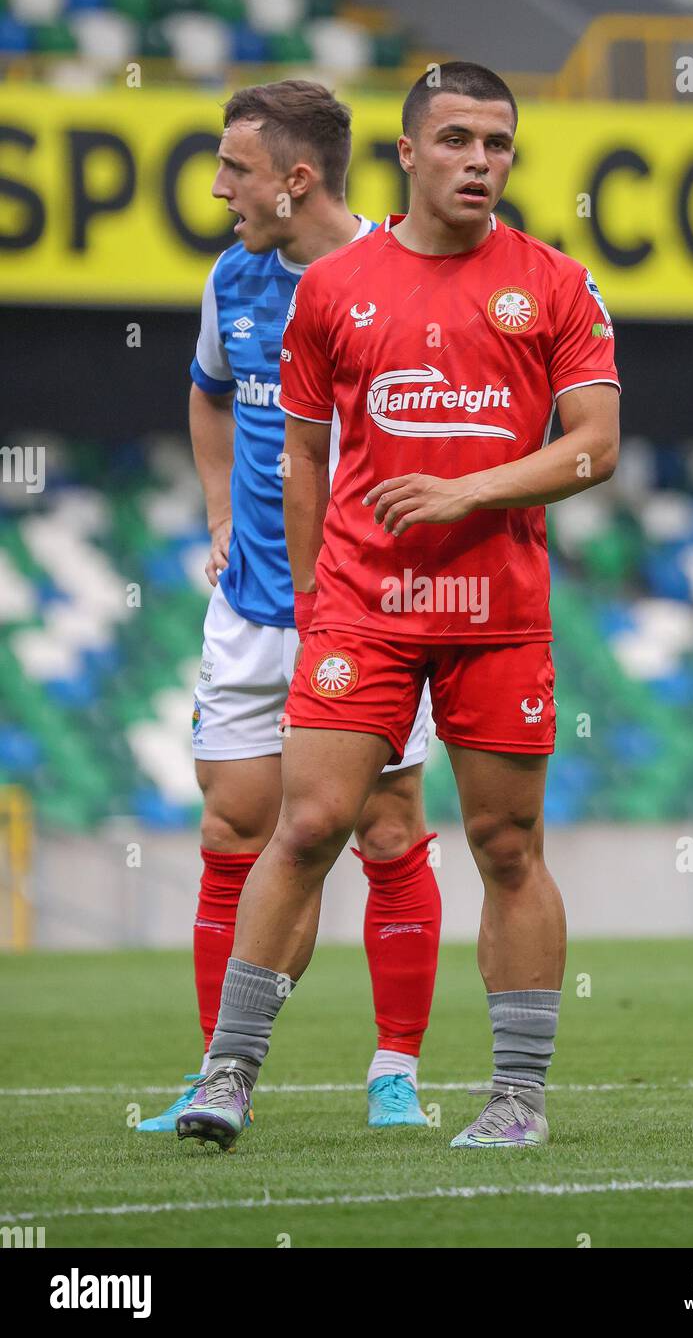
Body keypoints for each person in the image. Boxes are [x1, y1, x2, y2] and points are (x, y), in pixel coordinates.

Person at [178, 61, 620, 1152]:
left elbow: (594, 448)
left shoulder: (556, 284)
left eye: (499, 144)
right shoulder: (329, 290)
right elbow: (303, 452)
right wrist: (322, 587)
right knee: (308, 824)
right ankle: (227, 1075)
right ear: (407, 153)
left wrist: (467, 489)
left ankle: (513, 1098)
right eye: (460, 140)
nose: (481, 161)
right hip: (363, 610)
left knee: (503, 843)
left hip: (495, 608)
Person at [137, 80, 441, 1135]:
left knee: (387, 831)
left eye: (234, 169)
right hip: (254, 608)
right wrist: (219, 512)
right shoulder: (235, 278)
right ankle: (216, 1073)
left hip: (367, 613)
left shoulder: (406, 282)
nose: (219, 188)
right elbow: (208, 392)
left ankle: (393, 1069)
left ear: (294, 178)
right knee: (233, 828)